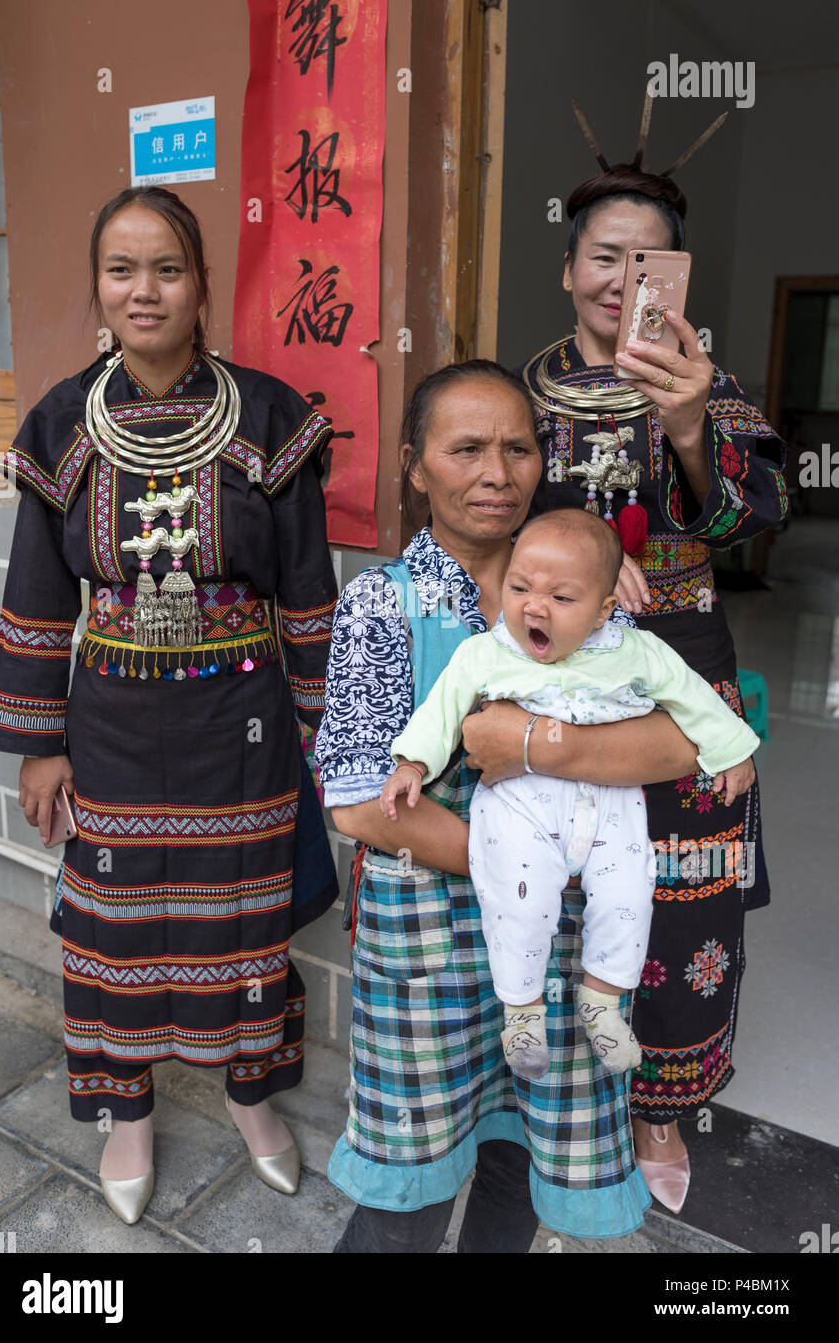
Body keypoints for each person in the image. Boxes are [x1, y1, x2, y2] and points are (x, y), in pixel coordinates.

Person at [0, 186, 339, 1224]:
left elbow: (309, 590)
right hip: (112, 725)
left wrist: (327, 730)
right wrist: (38, 745)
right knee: (113, 926)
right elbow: (38, 595)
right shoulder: (58, 424)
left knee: (244, 921)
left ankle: (250, 1095)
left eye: (167, 269)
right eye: (122, 269)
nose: (145, 290)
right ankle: (125, 1110)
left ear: (202, 285)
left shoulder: (272, 419)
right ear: (98, 286)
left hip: (247, 726)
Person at [316, 360, 710, 1253]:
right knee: (404, 1197)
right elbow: (360, 805)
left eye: (517, 448)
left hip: (567, 954)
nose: (496, 471)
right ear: (416, 467)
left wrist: (534, 748)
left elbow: (678, 743)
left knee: (519, 1168)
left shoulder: (593, 595)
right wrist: (534, 868)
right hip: (432, 946)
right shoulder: (387, 601)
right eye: (465, 450)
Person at [486, 159, 787, 1210]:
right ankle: (553, 1096)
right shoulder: (521, 394)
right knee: (550, 876)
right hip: (551, 668)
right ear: (568, 268)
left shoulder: (712, 382)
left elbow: (757, 522)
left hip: (682, 665)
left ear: (677, 276)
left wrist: (695, 425)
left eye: (644, 258)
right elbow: (479, 518)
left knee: (680, 894)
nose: (622, 277)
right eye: (602, 255)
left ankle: (660, 1108)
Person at [381, 508, 759, 1086]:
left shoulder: (635, 650)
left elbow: (692, 696)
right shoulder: (486, 652)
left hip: (612, 805)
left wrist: (732, 749)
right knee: (521, 902)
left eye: (561, 597)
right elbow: (443, 709)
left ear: (605, 608)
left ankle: (603, 1003)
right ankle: (523, 1015)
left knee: (630, 893)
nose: (534, 606)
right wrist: (412, 762)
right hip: (520, 806)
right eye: (520, 587)